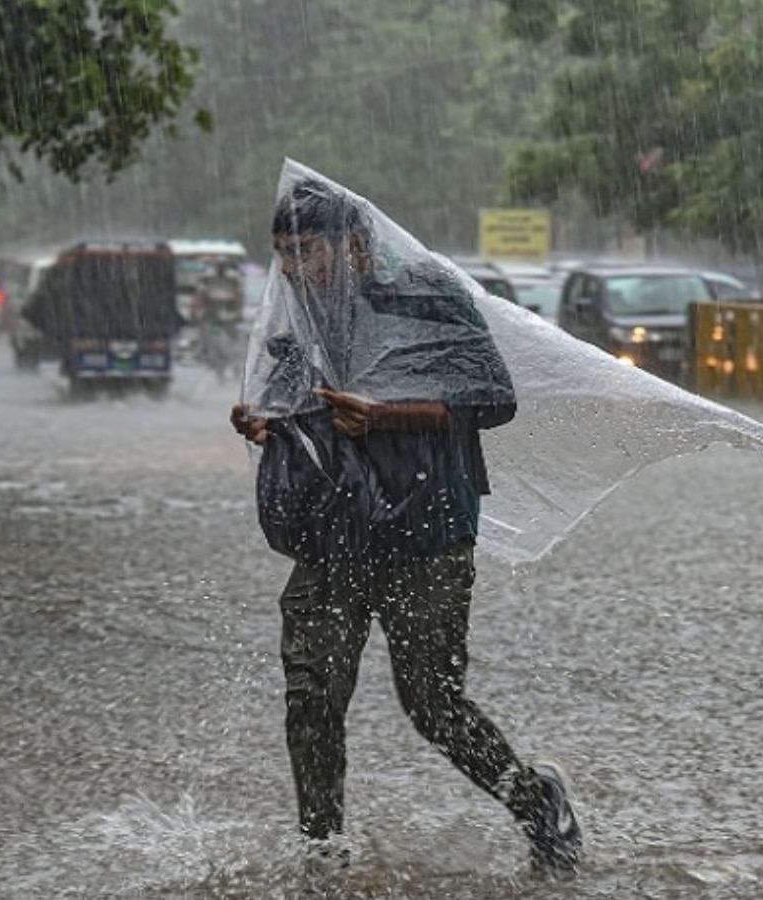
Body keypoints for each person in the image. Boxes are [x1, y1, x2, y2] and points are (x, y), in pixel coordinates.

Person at [230, 174, 583, 872]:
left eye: (309, 252)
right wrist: (263, 424)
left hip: (426, 532)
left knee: (430, 702)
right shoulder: (298, 317)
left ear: (355, 245)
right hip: (334, 532)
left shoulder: (425, 295)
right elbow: (292, 403)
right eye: (283, 255)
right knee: (312, 696)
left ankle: (534, 800)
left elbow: (491, 398)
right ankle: (322, 852)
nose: (295, 270)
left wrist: (384, 414)